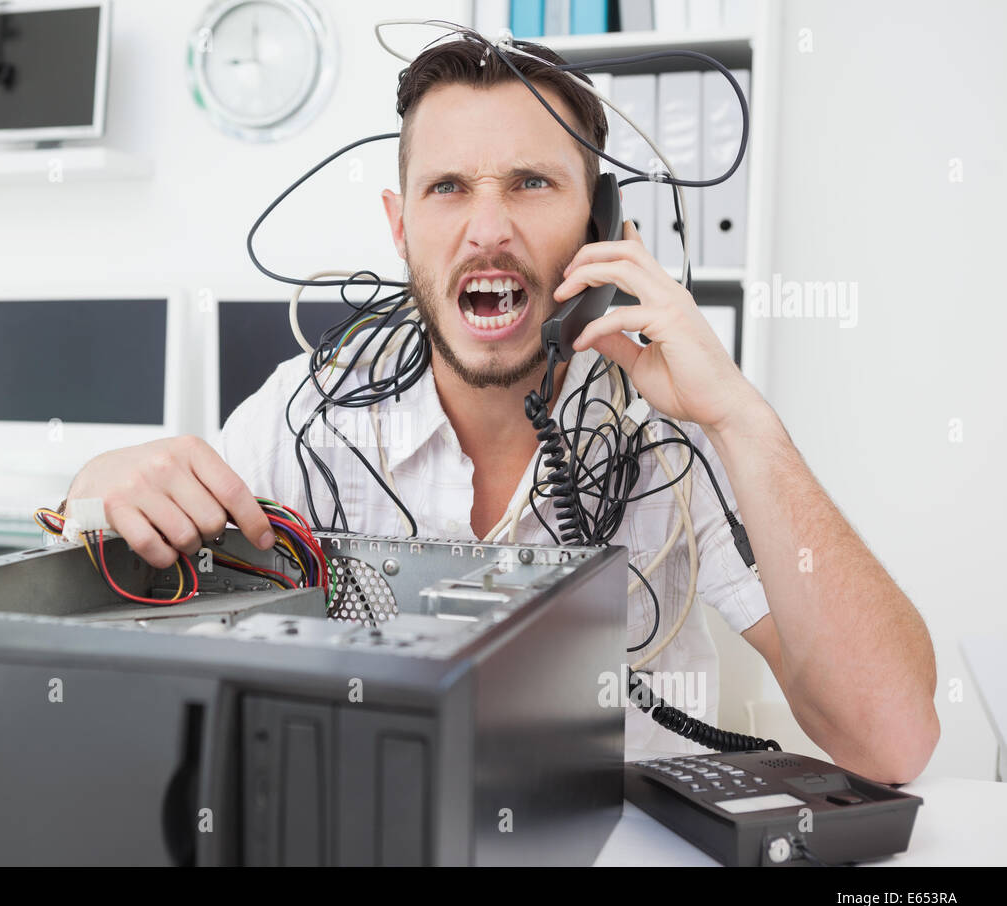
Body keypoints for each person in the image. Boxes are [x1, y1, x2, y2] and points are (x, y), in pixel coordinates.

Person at [61, 36, 938, 782]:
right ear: (400, 228)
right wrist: (97, 488)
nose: (487, 229)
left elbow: (891, 740)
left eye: (530, 183)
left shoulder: (673, 434)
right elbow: (120, 660)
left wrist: (741, 416)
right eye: (448, 187)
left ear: (602, 229)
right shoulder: (305, 416)